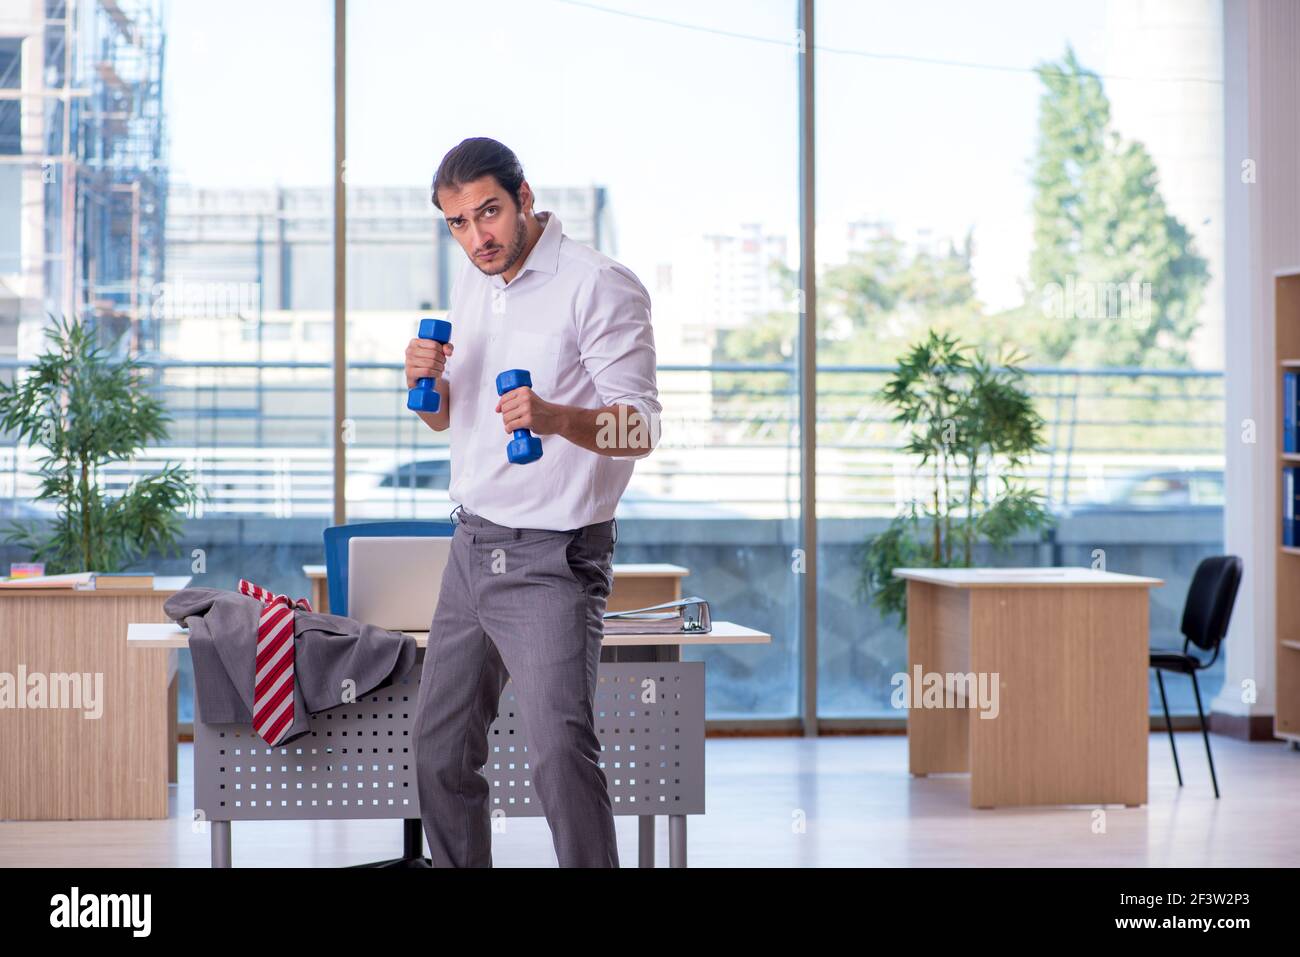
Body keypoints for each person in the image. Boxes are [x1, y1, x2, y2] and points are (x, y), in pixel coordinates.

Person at [406, 137, 660, 867]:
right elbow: (452, 420)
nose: (476, 235)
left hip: (555, 555)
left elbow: (641, 427)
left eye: (487, 211)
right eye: (457, 221)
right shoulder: (472, 282)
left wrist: (555, 417)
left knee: (558, 757)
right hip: (471, 547)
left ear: (523, 196)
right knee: (438, 751)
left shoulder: (599, 284)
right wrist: (423, 386)